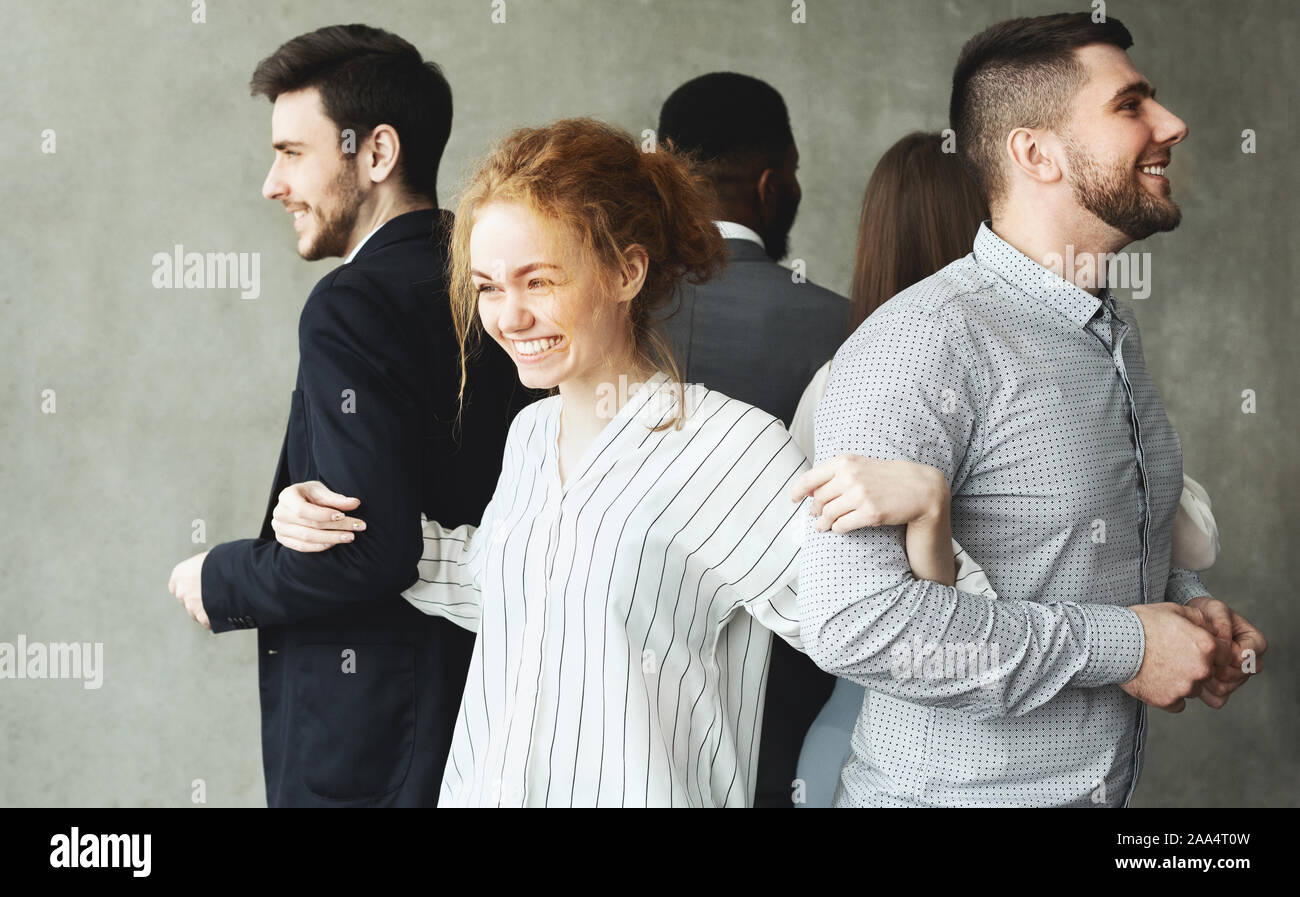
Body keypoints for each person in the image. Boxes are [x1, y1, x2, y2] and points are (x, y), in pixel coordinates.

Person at [267, 118, 955, 807]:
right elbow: (511, 590)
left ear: (626, 271)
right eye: (489, 287)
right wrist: (343, 521)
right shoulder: (531, 436)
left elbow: (898, 635)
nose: (509, 316)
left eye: (538, 281)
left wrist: (927, 514)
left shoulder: (728, 447)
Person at [797, 12, 1266, 808]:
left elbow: (1073, 540)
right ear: (1034, 151)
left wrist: (1187, 609)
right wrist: (1129, 644)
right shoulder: (920, 342)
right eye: (1132, 104)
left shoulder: (1109, 327)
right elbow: (858, 623)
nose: (1172, 124)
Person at [165, 25, 529, 807]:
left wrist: (219, 575)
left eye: (293, 153)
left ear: (376, 154)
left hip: (368, 753)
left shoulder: (350, 303)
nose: (272, 183)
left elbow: (374, 551)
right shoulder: (498, 284)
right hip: (495, 726)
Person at [657, 72, 847, 807]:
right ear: (773, 187)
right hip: (785, 707)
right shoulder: (849, 325)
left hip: (616, 686)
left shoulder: (601, 323)